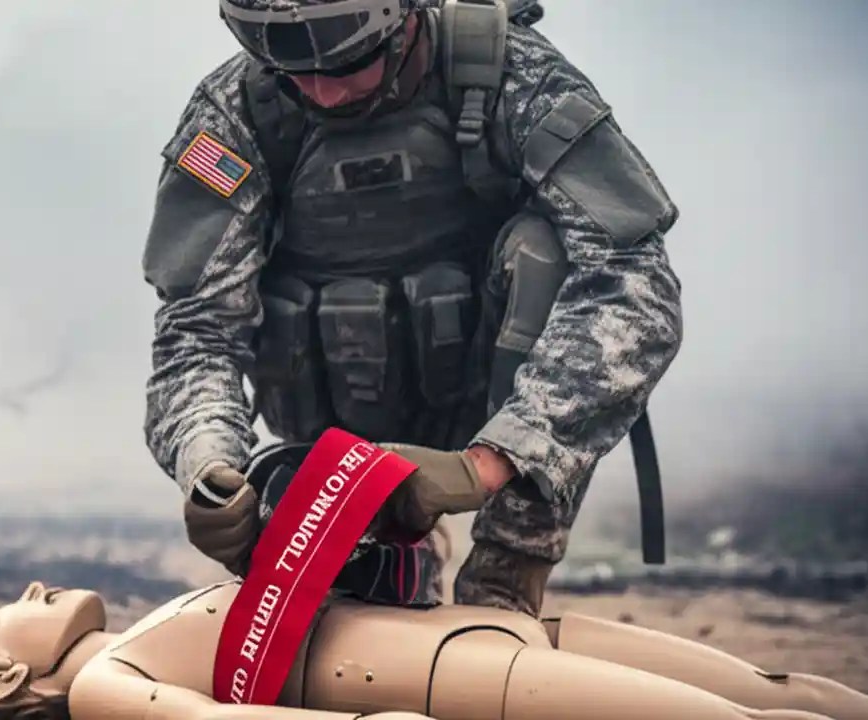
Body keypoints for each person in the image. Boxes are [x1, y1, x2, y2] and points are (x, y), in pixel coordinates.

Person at [142, 0, 683, 617]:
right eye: (289, 64)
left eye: (346, 61)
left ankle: (505, 580)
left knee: (548, 252)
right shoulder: (240, 113)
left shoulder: (507, 76)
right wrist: (210, 465)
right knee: (370, 624)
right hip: (336, 437)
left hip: (493, 416)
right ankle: (379, 560)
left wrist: (487, 464)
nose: (320, 89)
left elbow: (635, 282)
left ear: (402, 21)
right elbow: (195, 330)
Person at [0, 580, 868, 720]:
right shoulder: (103, 682)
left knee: (784, 685)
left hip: (500, 628)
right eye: (15, 610)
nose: (37, 592)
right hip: (447, 671)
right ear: (7, 678)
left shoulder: (138, 627)